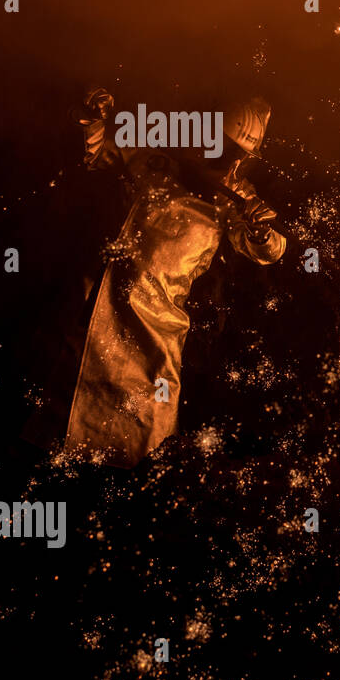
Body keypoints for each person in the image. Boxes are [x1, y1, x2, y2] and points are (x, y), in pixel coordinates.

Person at [64, 90, 286, 466]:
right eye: (219, 143)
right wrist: (92, 120)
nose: (223, 156)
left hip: (156, 332)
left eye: (236, 154)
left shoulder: (235, 200)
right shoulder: (155, 155)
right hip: (96, 303)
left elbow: (268, 250)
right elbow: (97, 156)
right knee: (63, 426)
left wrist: (261, 231)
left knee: (141, 448)